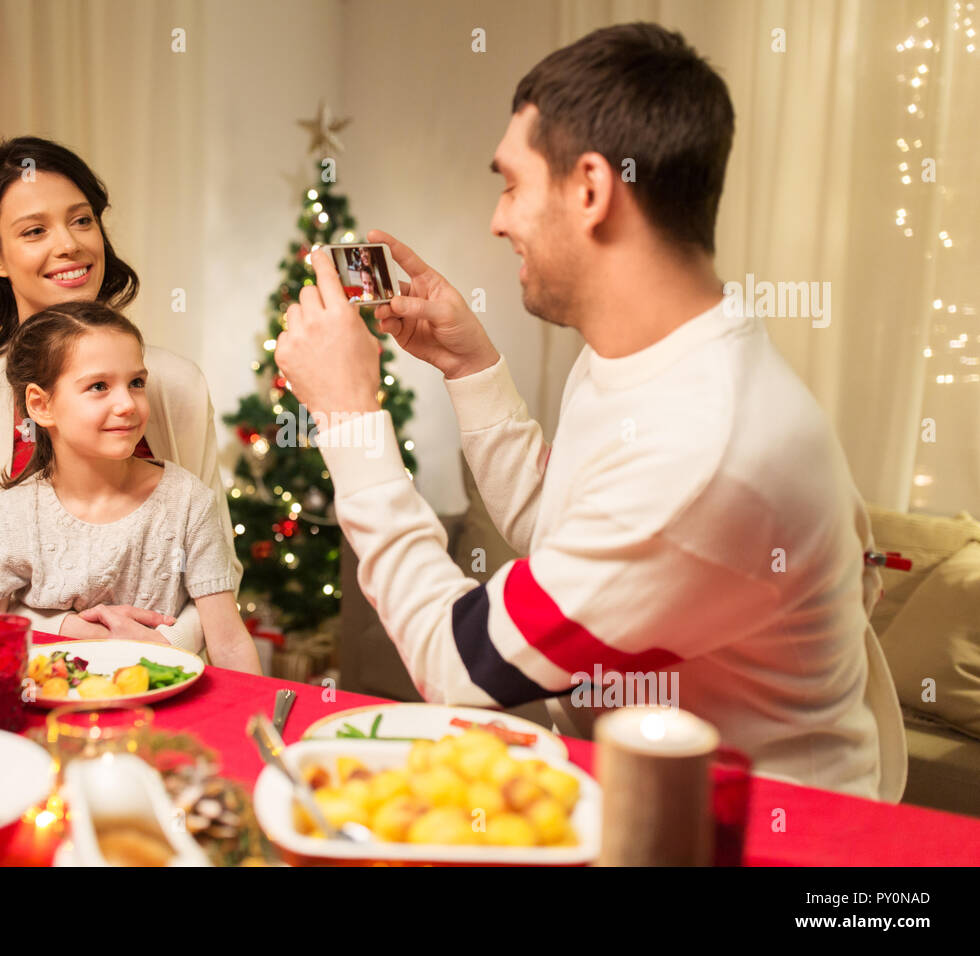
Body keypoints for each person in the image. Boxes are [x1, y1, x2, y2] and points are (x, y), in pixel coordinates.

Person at [274, 23, 907, 800]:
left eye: (510, 183)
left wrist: (349, 419)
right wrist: (471, 369)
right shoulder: (651, 351)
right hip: (640, 796)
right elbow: (575, 542)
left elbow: (462, 666)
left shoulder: (705, 447)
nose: (497, 220)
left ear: (591, 189)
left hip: (762, 835)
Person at [0, 136, 240, 648]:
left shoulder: (176, 384)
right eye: (35, 230)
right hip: (28, 673)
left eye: (82, 220)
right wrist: (68, 632)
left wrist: (162, 651)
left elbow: (219, 567)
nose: (69, 244)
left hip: (171, 675)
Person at [0, 301, 260, 674]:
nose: (127, 404)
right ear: (40, 405)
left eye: (136, 383)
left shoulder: (188, 502)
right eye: (99, 386)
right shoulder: (16, 514)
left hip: (168, 708)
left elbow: (229, 642)